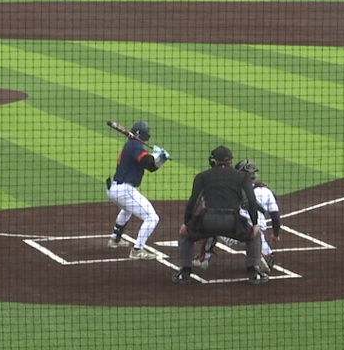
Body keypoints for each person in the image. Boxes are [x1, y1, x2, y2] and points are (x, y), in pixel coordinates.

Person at [171, 146, 269, 284]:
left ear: (214, 160)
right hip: (232, 222)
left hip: (208, 221)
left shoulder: (203, 176)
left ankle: (184, 272)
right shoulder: (242, 177)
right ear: (231, 160)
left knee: (185, 235)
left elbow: (194, 202)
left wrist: (187, 224)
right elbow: (250, 202)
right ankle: (254, 272)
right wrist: (254, 224)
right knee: (255, 235)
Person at [193, 159, 281, 271]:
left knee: (211, 224)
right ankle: (259, 257)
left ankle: (203, 259)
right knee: (268, 255)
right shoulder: (266, 191)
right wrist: (276, 234)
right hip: (256, 235)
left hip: (235, 232)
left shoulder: (233, 188)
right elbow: (275, 216)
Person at [106, 121, 170, 260]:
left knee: (127, 209)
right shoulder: (135, 145)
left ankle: (115, 239)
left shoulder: (133, 145)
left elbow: (151, 167)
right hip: (124, 191)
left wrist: (161, 159)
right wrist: (154, 155)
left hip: (115, 190)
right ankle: (137, 250)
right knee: (152, 218)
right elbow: (147, 160)